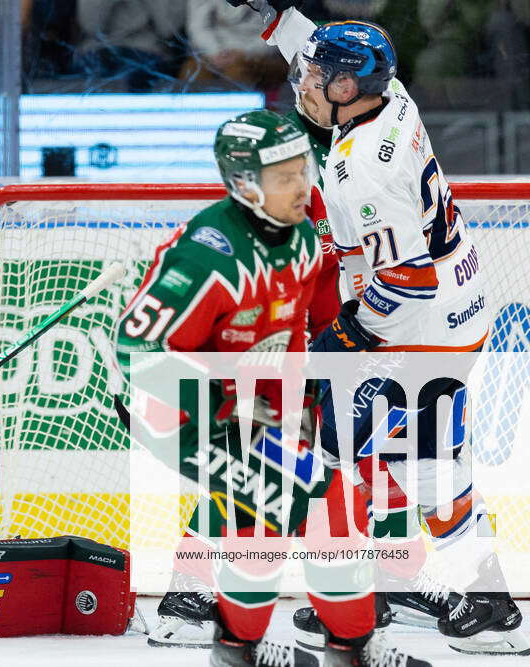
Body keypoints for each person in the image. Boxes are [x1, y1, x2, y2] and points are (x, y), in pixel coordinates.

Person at [237, 0, 528, 656]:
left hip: (419, 325)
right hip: (455, 309)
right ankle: (463, 595)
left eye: (316, 77)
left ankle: (360, 592)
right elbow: (322, 49)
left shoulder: (362, 167)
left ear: (346, 90)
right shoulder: (389, 96)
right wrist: (273, 11)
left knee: (332, 447)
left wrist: (352, 334)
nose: (303, 82)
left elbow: (406, 278)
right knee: (419, 458)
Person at [116, 109, 427, 666]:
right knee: (281, 517)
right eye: (284, 176)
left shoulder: (306, 239)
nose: (302, 185)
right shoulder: (207, 256)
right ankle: (250, 648)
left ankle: (318, 647)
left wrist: (320, 385)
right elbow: (136, 353)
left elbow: (303, 323)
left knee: (322, 517)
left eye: (302, 169)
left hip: (265, 410)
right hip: (185, 416)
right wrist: (224, 410)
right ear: (243, 185)